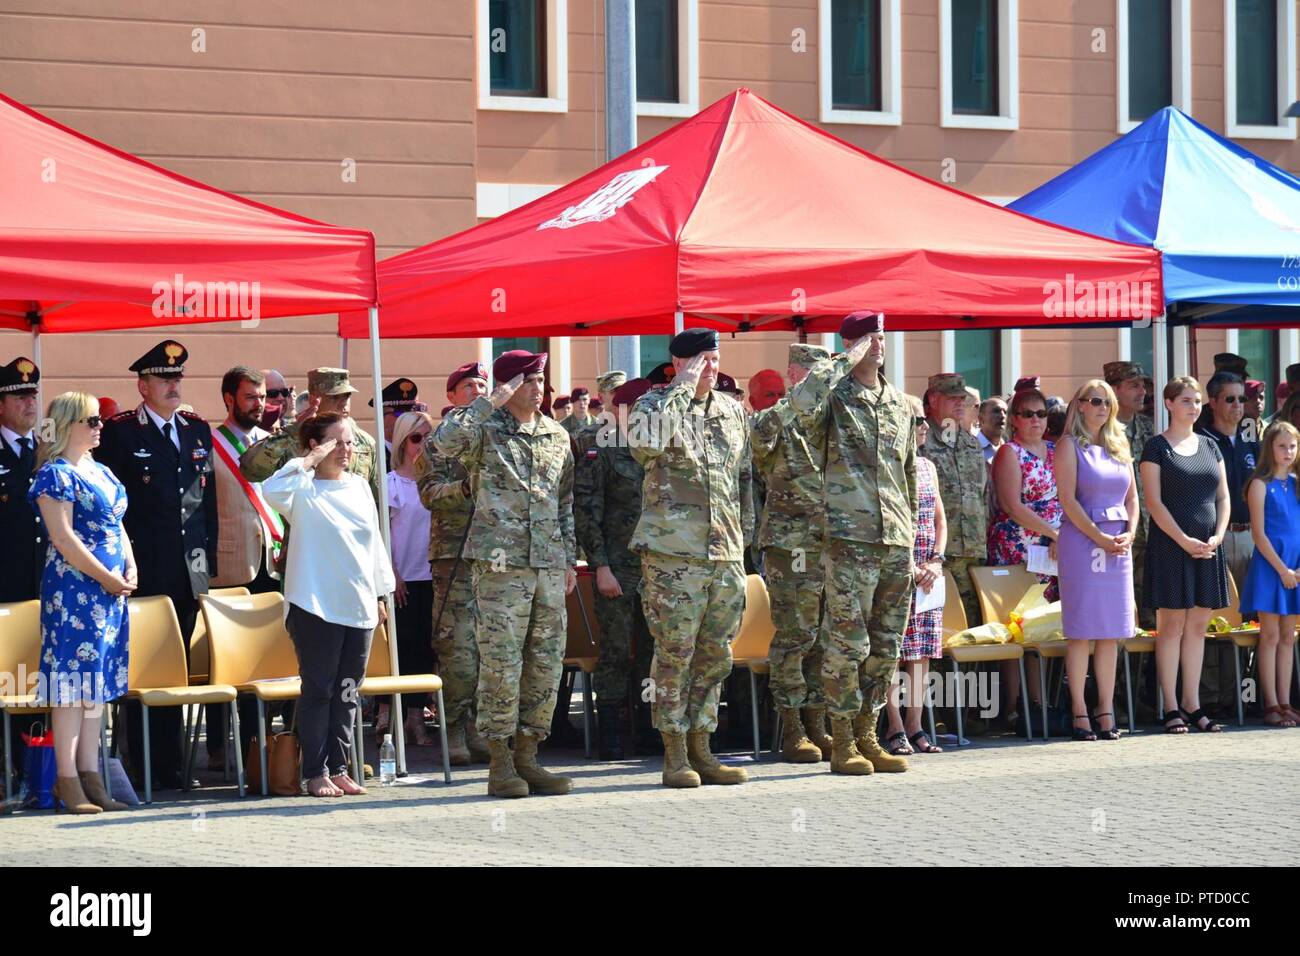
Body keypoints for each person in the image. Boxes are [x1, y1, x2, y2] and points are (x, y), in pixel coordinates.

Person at [434, 350, 577, 799]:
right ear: (510, 385)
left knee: (545, 662)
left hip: (548, 566)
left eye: (541, 380)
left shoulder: (556, 435)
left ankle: (529, 756)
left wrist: (570, 558)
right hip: (500, 567)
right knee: (501, 664)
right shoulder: (484, 431)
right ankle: (499, 761)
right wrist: (488, 402)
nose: (540, 388)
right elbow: (443, 441)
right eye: (530, 381)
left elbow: (566, 502)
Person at [790, 311, 914, 775]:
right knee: (846, 644)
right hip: (848, 539)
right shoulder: (833, 397)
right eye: (866, 338)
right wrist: (841, 362)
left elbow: (907, 475)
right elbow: (800, 406)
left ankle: (869, 732)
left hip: (895, 539)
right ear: (849, 344)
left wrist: (912, 536)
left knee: (887, 644)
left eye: (880, 336)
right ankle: (842, 740)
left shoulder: (900, 404)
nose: (877, 345)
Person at [629, 328, 754, 788]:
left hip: (724, 552)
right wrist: (681, 388)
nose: (712, 367)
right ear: (679, 363)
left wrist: (744, 544)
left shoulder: (729, 411)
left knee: (715, 655)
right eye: (702, 359)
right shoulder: (652, 404)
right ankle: (674, 752)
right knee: (674, 654)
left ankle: (704, 747)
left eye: (716, 358)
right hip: (672, 554)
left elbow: (742, 481)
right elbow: (645, 446)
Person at [96, 340, 217, 792]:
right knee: (144, 671)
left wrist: (207, 562)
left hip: (189, 570)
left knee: (178, 669)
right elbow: (112, 509)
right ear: (142, 386)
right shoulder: (122, 433)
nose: (173, 385)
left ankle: (174, 769)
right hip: (145, 571)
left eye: (177, 378)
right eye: (164, 379)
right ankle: (143, 765)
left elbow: (206, 502)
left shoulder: (195, 430)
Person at [262, 413, 394, 797]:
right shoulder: (301, 487)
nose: (345, 450)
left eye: (349, 442)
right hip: (314, 605)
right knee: (319, 689)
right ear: (314, 446)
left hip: (358, 604)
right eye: (335, 442)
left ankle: (339, 767)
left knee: (350, 691)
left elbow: (374, 545)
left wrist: (380, 594)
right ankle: (314, 772)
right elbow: (271, 488)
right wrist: (307, 461)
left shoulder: (358, 487)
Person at [29, 392, 134, 812]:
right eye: (91, 420)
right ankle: (66, 780)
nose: (99, 426)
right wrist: (107, 576)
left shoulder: (102, 471)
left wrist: (130, 565)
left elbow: (118, 526)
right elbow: (63, 538)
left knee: (97, 686)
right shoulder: (55, 474)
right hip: (75, 592)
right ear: (70, 423)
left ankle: (92, 778)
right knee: (70, 687)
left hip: (108, 593)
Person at [751, 343, 832, 763]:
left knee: (823, 638)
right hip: (790, 544)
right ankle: (793, 728)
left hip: (829, 544)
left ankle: (818, 723)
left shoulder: (829, 421)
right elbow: (757, 441)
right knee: (795, 638)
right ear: (796, 376)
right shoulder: (777, 419)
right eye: (816, 378)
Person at [1140, 376, 1230, 734]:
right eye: (1186, 401)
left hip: (1208, 547)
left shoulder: (1210, 446)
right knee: (1171, 627)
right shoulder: (1156, 447)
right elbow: (1154, 502)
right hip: (1170, 547)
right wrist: (1182, 540)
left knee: (1197, 627)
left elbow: (1222, 497)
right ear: (1169, 404)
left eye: (1196, 401)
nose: (1193, 407)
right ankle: (1170, 705)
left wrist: (1218, 536)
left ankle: (1193, 704)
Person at [1055, 380, 1138, 742]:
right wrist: (1098, 537)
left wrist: (1130, 532)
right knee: (1082, 631)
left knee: (1110, 632)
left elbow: (1134, 497)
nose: (1102, 407)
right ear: (1081, 405)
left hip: (1118, 543)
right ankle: (1079, 710)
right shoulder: (1069, 446)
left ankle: (1106, 708)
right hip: (1084, 540)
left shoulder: (1120, 446)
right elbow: (1068, 501)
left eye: (1108, 401)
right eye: (1095, 401)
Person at [575, 377, 652, 759]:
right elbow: (588, 513)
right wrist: (600, 566)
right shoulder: (600, 448)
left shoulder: (658, 449)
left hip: (656, 568)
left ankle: (649, 723)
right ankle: (611, 730)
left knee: (655, 649)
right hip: (617, 567)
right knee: (617, 650)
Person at [418, 361, 491, 765]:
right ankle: (454, 728)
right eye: (468, 385)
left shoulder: (498, 434)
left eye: (482, 383)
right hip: (455, 555)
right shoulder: (438, 443)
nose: (478, 390)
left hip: (497, 556)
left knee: (490, 648)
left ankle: (483, 727)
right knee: (459, 649)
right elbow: (428, 493)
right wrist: (465, 489)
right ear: (452, 396)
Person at [208, 366, 279, 770]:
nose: (259, 405)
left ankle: (259, 746)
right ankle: (217, 747)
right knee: (228, 659)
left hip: (272, 559)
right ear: (229, 399)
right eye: (251, 397)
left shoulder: (271, 443)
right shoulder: (210, 442)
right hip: (231, 563)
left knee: (267, 660)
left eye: (263, 396)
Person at [988, 386, 1060, 720]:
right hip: (1019, 547)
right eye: (1028, 414)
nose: (1036, 420)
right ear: (1014, 419)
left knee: (1043, 625)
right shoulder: (1009, 453)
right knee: (1016, 626)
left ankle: (1040, 702)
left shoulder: (1056, 450)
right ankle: (1013, 706)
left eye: (1041, 414)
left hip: (1053, 550)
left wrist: (1062, 536)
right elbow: (1012, 505)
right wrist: (1053, 533)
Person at [1195, 369, 1258, 716]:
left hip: (1250, 536)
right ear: (1214, 402)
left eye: (1241, 399)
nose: (1238, 406)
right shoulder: (1201, 441)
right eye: (1230, 399)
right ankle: (1208, 697)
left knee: (1246, 621)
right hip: (1216, 538)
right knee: (1213, 619)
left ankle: (1240, 697)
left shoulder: (1251, 442)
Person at [883, 411, 946, 756]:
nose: (923, 426)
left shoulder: (928, 467)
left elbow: (940, 519)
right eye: (915, 420)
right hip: (899, 568)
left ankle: (916, 725)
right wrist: (910, 566)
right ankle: (894, 728)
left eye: (923, 420)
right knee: (894, 651)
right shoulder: (888, 466)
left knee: (921, 652)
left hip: (929, 571)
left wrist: (936, 559)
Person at [380, 411, 437, 747]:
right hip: (404, 578)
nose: (424, 444)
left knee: (426, 647)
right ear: (402, 442)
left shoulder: (434, 482)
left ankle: (417, 716)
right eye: (417, 438)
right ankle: (391, 716)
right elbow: (382, 535)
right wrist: (393, 575)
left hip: (433, 575)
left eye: (429, 436)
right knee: (404, 647)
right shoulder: (391, 484)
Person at [242, 368, 379, 507]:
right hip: (305, 524)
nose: (343, 403)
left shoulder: (365, 444)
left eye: (347, 396)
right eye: (334, 397)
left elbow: (377, 502)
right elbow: (251, 471)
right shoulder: (295, 439)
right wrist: (292, 432)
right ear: (314, 399)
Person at [1239, 421, 1300, 727]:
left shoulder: (1298, 482)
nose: (1288, 452)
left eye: (1293, 446)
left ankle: (1287, 701)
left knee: (1289, 636)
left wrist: (1297, 570)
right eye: (1282, 446)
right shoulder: (1259, 485)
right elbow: (1259, 535)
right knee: (1270, 635)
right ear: (1269, 448)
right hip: (1271, 567)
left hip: (1295, 568)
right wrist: (1283, 570)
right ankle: (1271, 703)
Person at [919, 372, 986, 628]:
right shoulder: (921, 442)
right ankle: (941, 671)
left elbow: (984, 498)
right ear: (934, 399)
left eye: (962, 398)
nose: (960, 403)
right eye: (952, 398)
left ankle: (972, 671)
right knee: (941, 625)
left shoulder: (972, 444)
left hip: (973, 549)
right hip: (938, 553)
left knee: (975, 625)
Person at [371, 378, 423, 465]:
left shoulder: (423, 453)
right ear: (382, 417)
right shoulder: (373, 456)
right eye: (400, 413)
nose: (407, 419)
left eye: (411, 412)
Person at [976, 396, 1008, 464]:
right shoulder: (971, 448)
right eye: (996, 411)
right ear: (981, 419)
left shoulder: (1011, 449)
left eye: (1005, 412)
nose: (1002, 416)